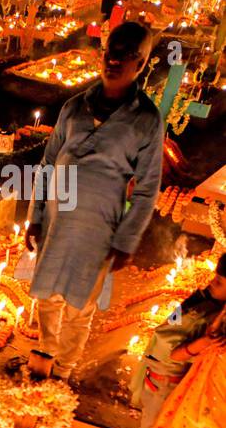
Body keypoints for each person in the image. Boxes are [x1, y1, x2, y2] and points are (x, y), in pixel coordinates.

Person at [25, 22, 163, 384]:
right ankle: (43, 355)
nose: (114, 60)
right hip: (58, 216)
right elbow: (49, 163)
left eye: (127, 55)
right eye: (110, 51)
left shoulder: (146, 119)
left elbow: (148, 187)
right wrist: (36, 215)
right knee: (47, 293)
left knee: (79, 302)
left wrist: (126, 240)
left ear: (142, 63)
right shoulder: (75, 107)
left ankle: (64, 371)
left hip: (99, 225)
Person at [106, 255, 226, 428]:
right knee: (147, 427)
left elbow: (179, 355)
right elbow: (168, 327)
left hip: (167, 380)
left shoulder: (216, 322)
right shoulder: (202, 300)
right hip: (155, 367)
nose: (212, 282)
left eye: (220, 282)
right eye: (215, 278)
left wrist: (199, 344)